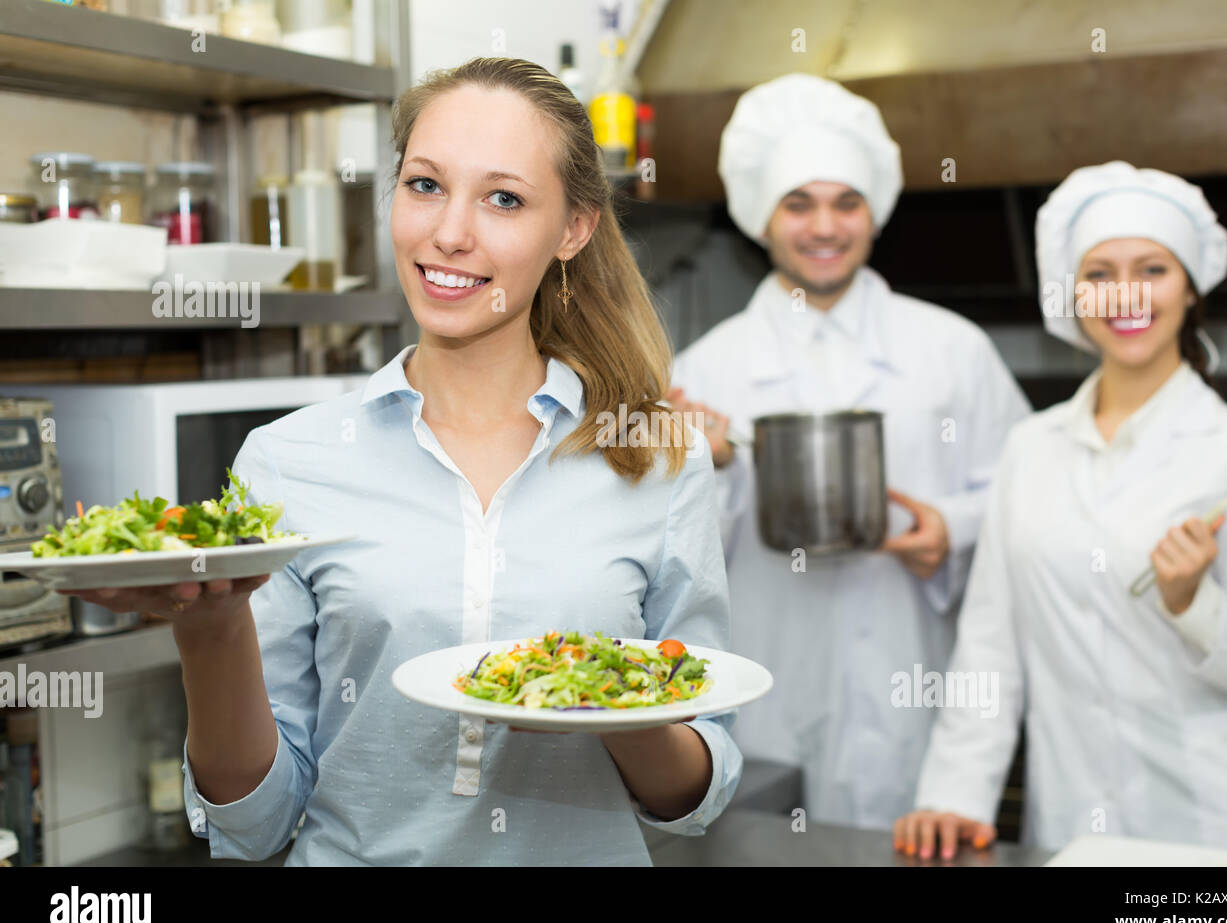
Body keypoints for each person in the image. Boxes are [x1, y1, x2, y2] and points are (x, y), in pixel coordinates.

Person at [57, 57, 741, 865]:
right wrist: (210, 629)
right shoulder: (287, 461)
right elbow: (255, 825)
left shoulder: (654, 455)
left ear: (573, 230)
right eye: (424, 185)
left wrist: (610, 706)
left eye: (504, 199)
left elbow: (694, 796)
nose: (450, 232)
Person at [896, 160, 1227, 860]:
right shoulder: (1030, 448)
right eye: (1099, 274)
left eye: (1152, 269)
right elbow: (991, 644)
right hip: (1078, 828)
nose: (1126, 296)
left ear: (1190, 289)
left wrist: (1194, 605)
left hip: (1224, 831)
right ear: (1072, 293)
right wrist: (955, 796)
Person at [670, 73, 1030, 829]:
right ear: (762, 219)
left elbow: (1030, 495)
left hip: (916, 681)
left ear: (875, 214)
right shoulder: (704, 371)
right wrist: (715, 466)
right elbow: (670, 566)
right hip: (767, 692)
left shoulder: (952, 351)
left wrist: (952, 530)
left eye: (845, 202)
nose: (824, 226)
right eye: (798, 204)